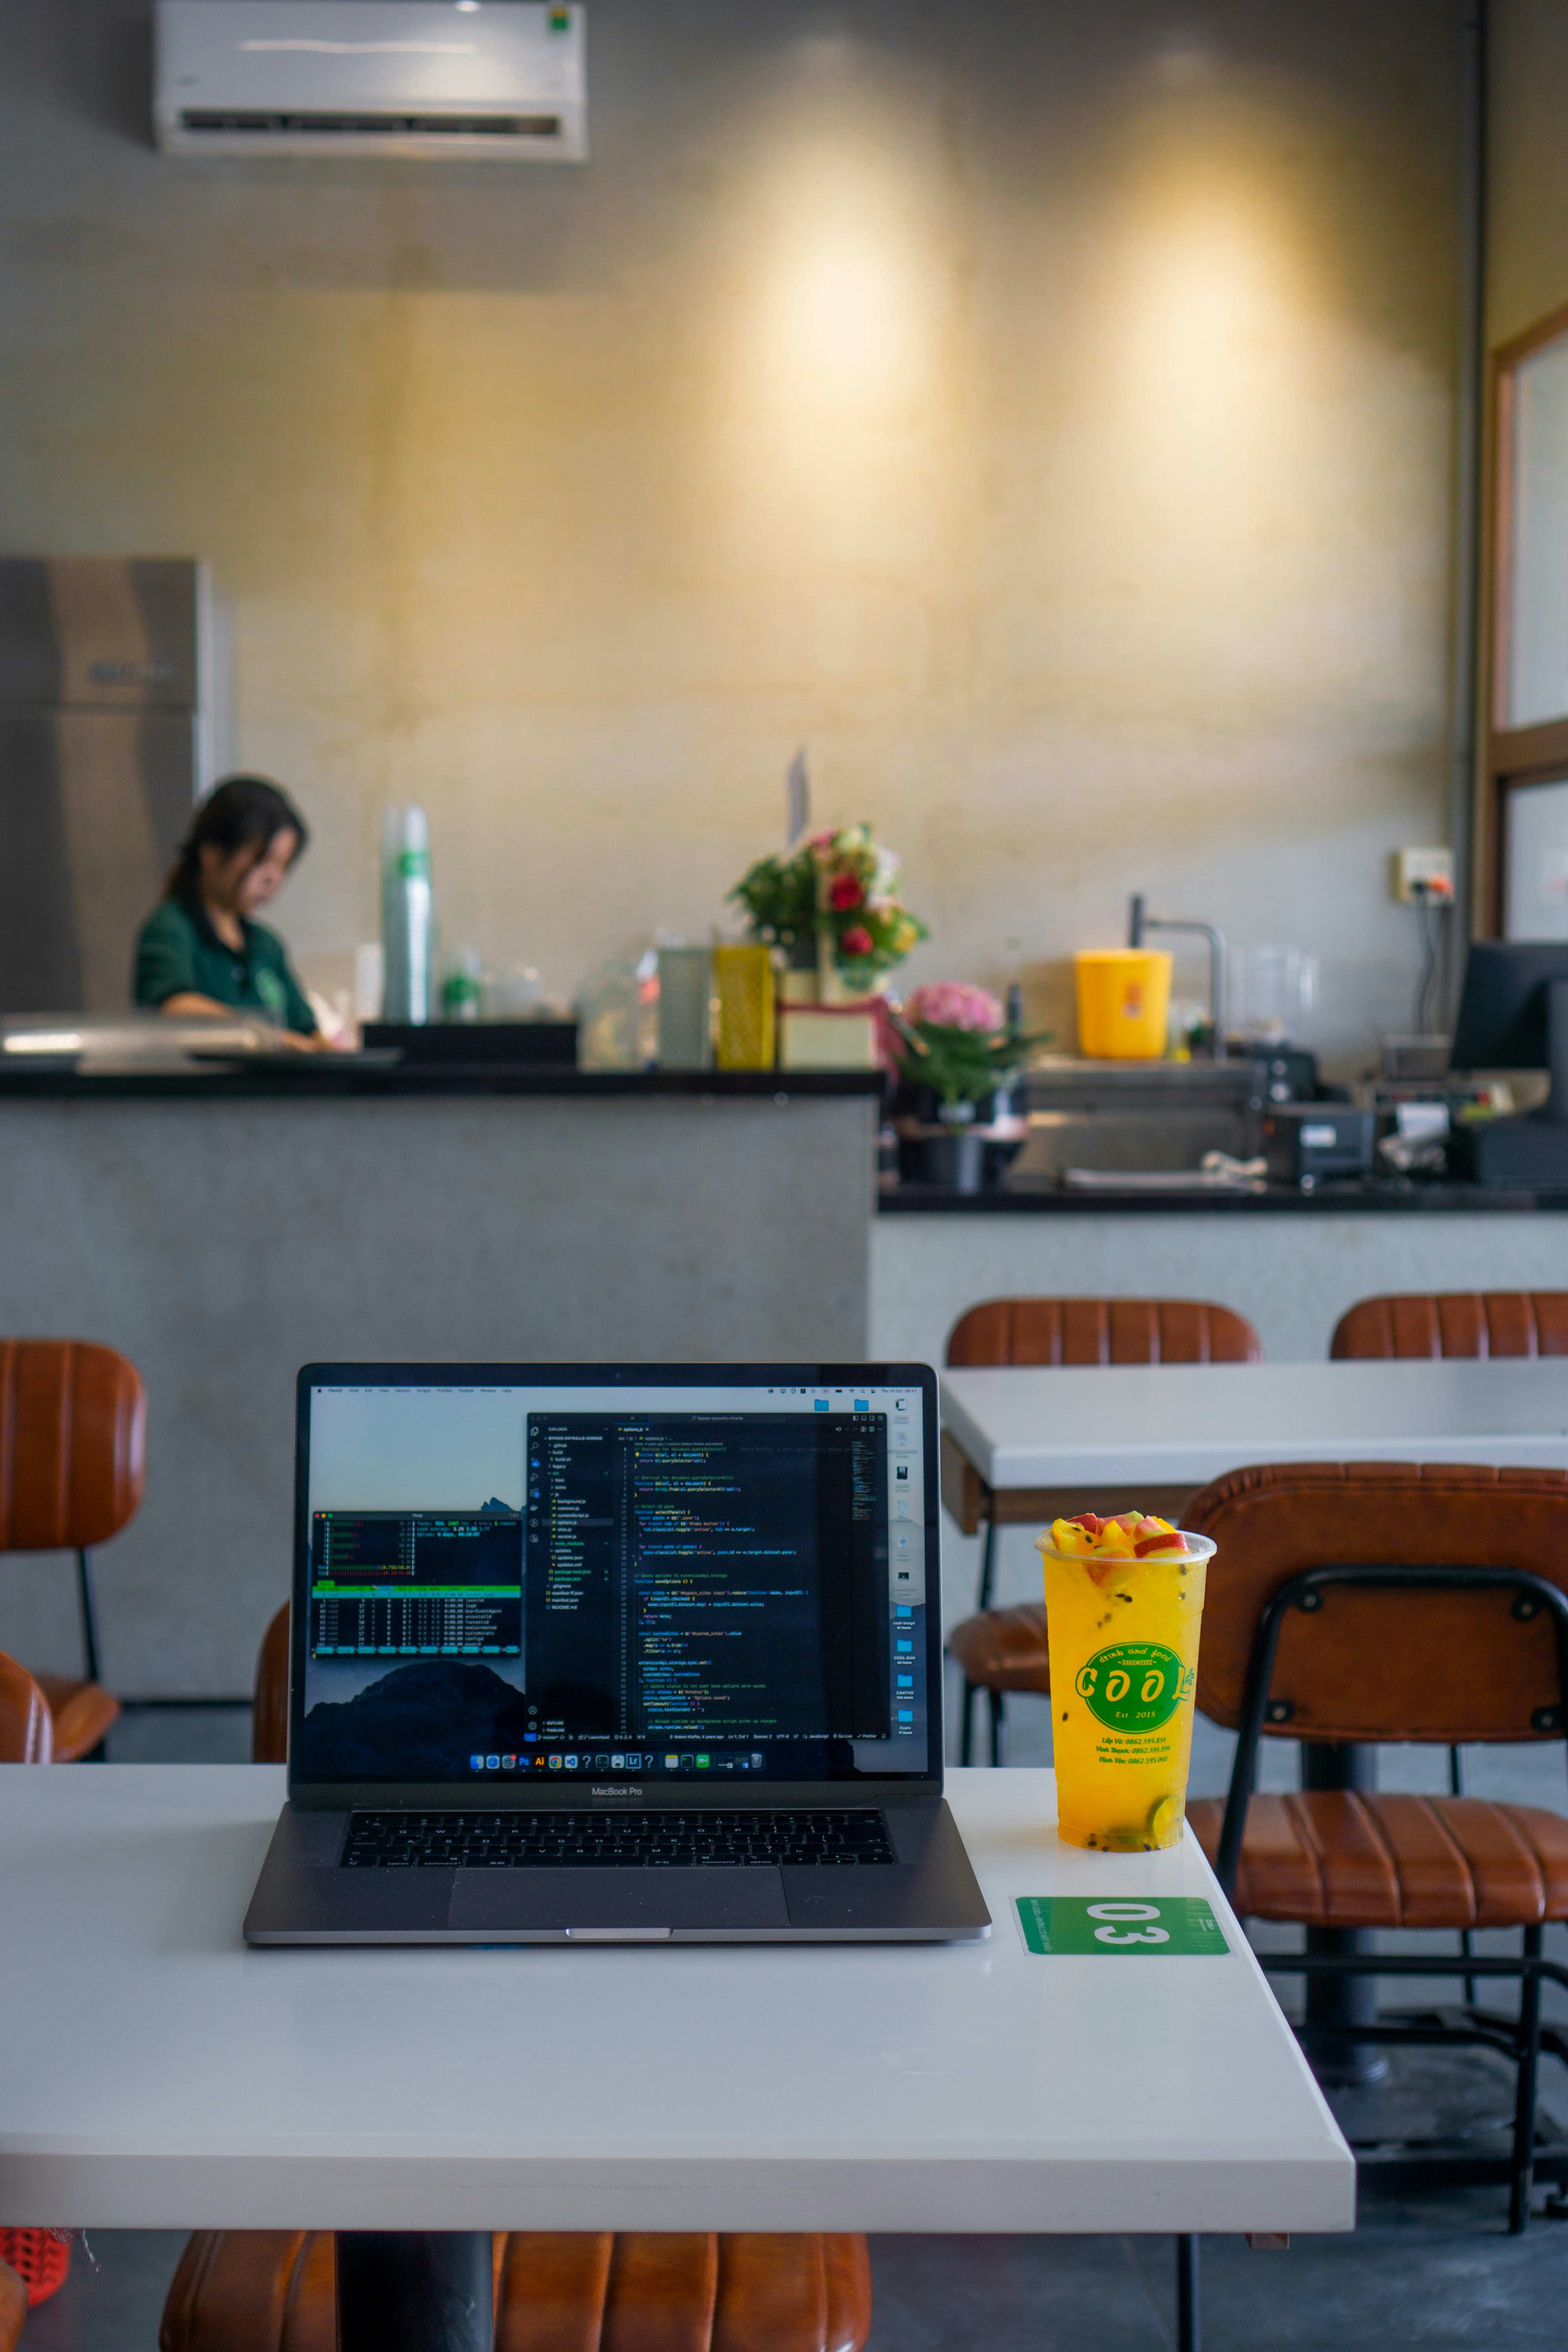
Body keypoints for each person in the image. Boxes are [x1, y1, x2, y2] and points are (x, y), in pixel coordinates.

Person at [133, 775, 329, 1048]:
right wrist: (275, 1039)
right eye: (262, 862)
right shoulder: (172, 927)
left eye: (282, 866)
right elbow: (174, 1006)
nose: (273, 879)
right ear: (212, 854)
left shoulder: (266, 944)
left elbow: (306, 1029)